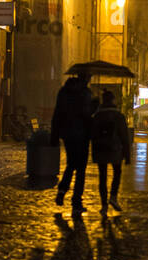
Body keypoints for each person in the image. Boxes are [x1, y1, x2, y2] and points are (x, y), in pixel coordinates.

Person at [50, 70, 96, 215]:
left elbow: (57, 113)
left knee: (71, 164)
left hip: (68, 134)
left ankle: (62, 190)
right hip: (82, 134)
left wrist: (55, 134)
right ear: (86, 78)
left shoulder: (64, 91)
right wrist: (95, 106)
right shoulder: (85, 93)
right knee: (80, 169)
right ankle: (76, 202)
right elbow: (86, 114)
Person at [91, 89, 131, 214]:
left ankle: (104, 205)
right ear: (113, 100)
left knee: (102, 177)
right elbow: (124, 136)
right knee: (117, 173)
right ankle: (113, 197)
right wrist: (127, 154)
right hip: (115, 149)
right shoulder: (119, 116)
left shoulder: (97, 116)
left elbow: (92, 134)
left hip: (100, 149)